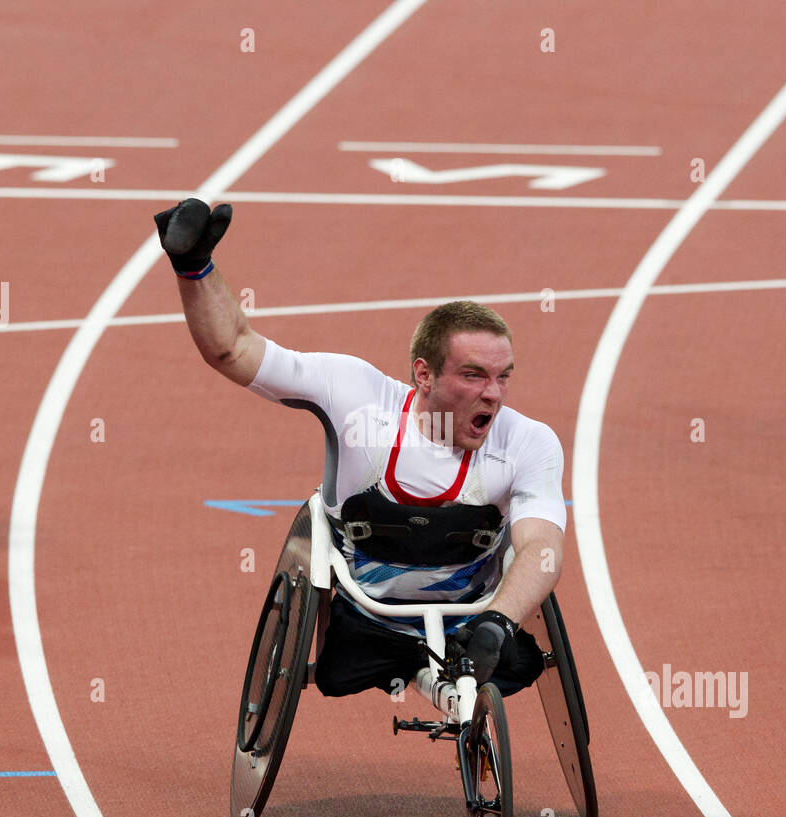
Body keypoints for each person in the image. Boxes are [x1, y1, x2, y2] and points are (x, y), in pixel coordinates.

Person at [154, 199, 566, 698]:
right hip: (363, 622)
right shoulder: (356, 398)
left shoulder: (528, 442)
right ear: (423, 374)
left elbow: (542, 549)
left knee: (515, 656)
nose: (494, 394)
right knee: (339, 669)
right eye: (474, 375)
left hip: (471, 622)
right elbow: (235, 349)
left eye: (504, 377)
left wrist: (498, 623)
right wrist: (194, 267)